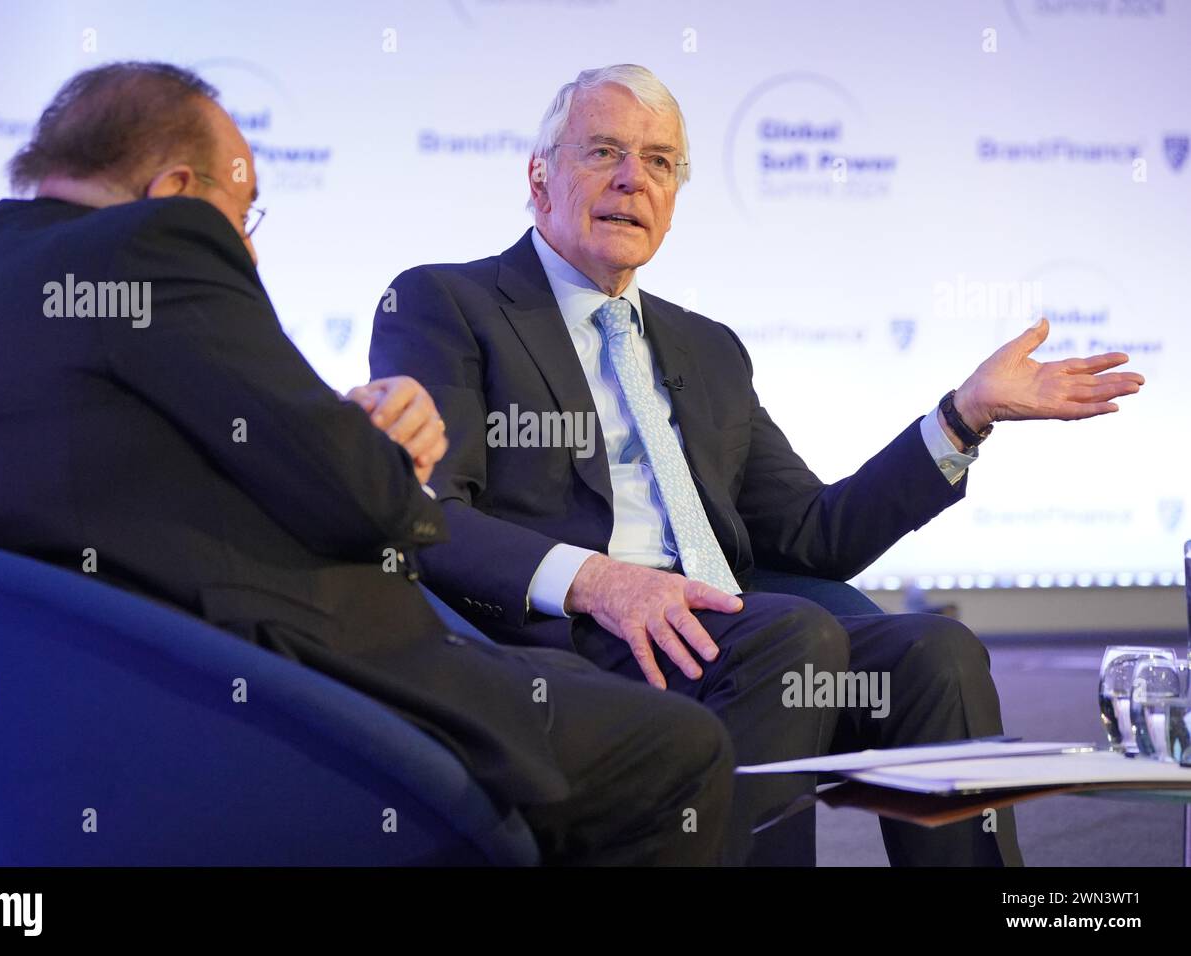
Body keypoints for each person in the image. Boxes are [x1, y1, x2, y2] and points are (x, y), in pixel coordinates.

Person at [0, 61, 737, 866]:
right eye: (245, 209)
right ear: (180, 190)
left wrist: (334, 433)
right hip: (292, 703)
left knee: (562, 679)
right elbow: (369, 502)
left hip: (98, 726)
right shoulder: (160, 242)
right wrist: (384, 445)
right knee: (676, 747)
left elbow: (153, 467)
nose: (249, 252)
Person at [368, 63, 1145, 866]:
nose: (634, 179)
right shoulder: (447, 305)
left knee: (935, 655)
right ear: (540, 176)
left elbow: (816, 534)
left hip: (733, 639)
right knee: (792, 634)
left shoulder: (707, 348)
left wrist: (963, 416)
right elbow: (429, 514)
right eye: (603, 151)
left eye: (660, 162)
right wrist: (601, 581)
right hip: (571, 643)